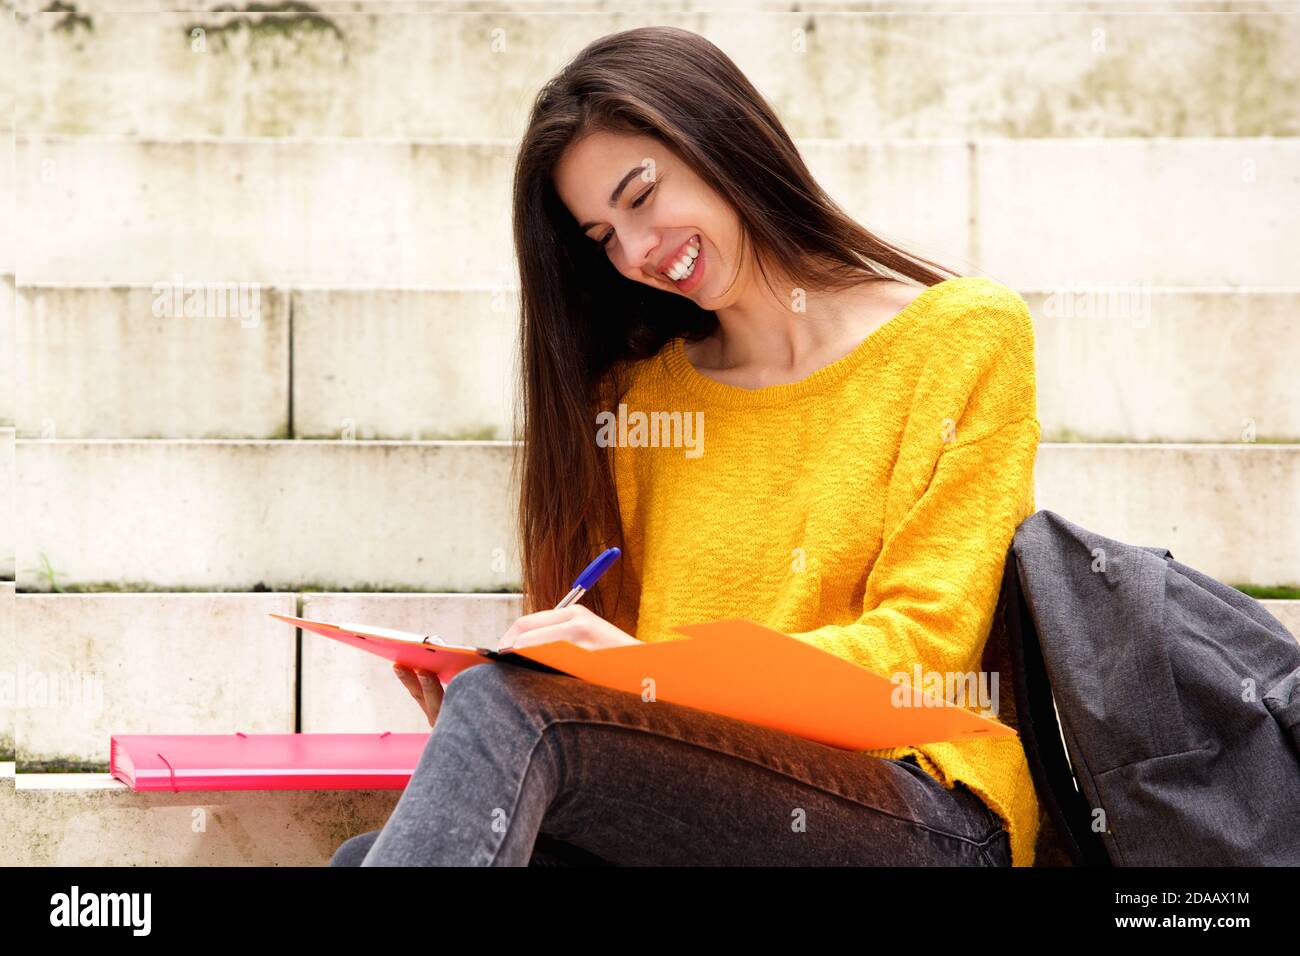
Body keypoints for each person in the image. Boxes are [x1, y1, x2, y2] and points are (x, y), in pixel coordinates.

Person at [331, 25, 1039, 867]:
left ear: (718, 136)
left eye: (639, 197)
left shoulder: (962, 338)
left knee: (505, 720)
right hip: (707, 816)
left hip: (919, 808)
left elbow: (921, 658)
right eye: (601, 238)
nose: (635, 254)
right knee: (372, 848)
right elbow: (617, 684)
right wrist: (523, 717)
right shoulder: (635, 401)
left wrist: (630, 677)